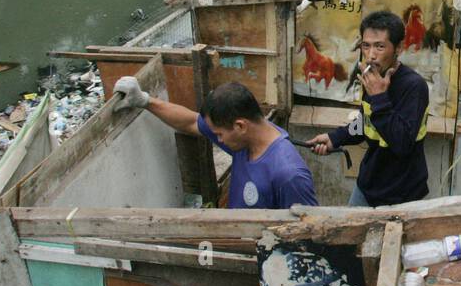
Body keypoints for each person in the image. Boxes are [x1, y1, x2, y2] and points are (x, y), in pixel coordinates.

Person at [113, 77, 318, 208]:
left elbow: (306, 236)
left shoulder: (288, 175)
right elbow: (191, 121)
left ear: (240, 126)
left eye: (219, 134)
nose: (218, 140)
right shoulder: (245, 141)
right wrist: (146, 101)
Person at [307, 10, 430, 207]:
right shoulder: (371, 76)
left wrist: (379, 97)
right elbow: (366, 123)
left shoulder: (413, 86)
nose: (371, 55)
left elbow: (402, 144)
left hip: (402, 195)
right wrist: (334, 139)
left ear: (398, 48)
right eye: (366, 46)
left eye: (380, 46)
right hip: (367, 187)